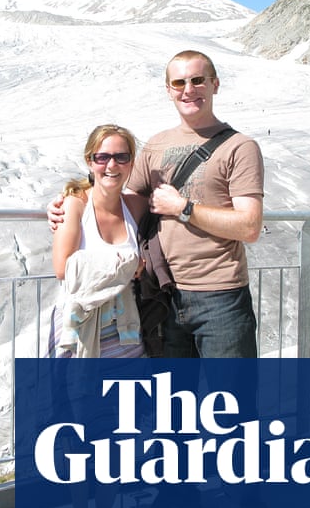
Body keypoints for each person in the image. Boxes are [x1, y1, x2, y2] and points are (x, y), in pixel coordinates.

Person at [50, 50, 264, 358]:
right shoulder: (155, 146)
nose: (188, 90)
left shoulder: (239, 147)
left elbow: (249, 226)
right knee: (174, 401)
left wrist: (183, 208)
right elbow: (119, 198)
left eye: (198, 80)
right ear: (169, 90)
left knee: (229, 401)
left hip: (220, 295)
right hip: (164, 295)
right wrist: (71, 200)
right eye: (179, 82)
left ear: (215, 84)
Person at [49, 123, 145, 359]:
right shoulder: (76, 204)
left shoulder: (136, 206)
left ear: (132, 162)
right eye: (102, 157)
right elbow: (63, 267)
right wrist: (128, 263)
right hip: (79, 326)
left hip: (125, 331)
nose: (112, 165)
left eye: (121, 157)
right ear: (90, 161)